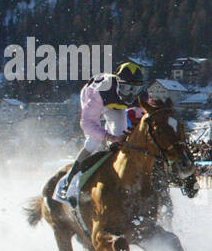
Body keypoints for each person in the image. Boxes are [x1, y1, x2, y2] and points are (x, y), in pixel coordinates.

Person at [54, 62, 148, 206]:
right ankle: (68, 182)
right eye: (126, 87)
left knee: (121, 140)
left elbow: (146, 120)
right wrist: (108, 136)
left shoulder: (141, 96)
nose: (130, 94)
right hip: (93, 98)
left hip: (115, 106)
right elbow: (87, 123)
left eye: (135, 89)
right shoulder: (101, 91)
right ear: (118, 83)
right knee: (93, 142)